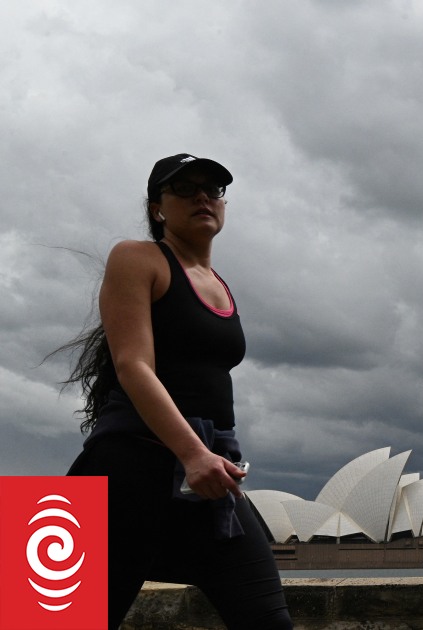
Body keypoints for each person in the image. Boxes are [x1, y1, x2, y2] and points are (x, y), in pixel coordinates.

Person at [60, 154, 292, 629]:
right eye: (184, 188)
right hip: (127, 468)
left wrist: (202, 460)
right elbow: (132, 364)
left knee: (269, 621)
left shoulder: (221, 285)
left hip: (205, 478)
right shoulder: (136, 256)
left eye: (213, 188)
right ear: (157, 208)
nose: (203, 196)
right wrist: (193, 454)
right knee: (53, 620)